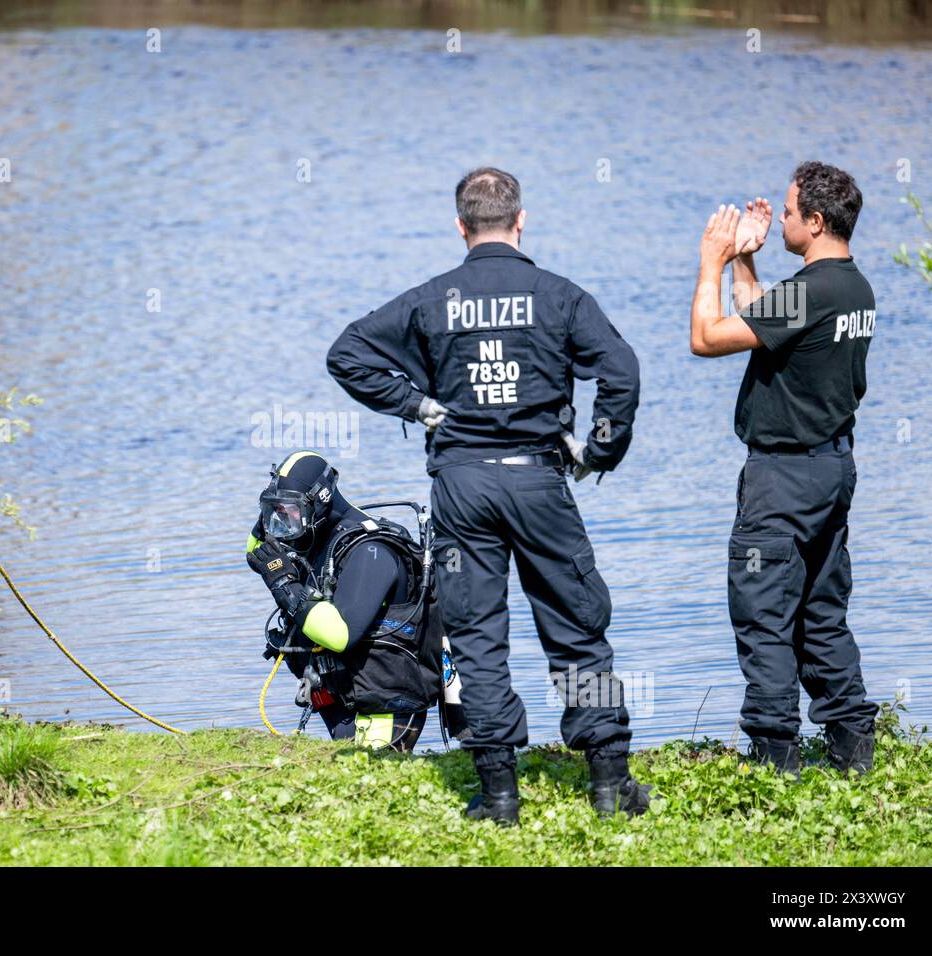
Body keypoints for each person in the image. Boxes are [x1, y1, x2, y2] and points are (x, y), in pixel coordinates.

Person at [326, 167, 649, 822]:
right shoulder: (558, 296)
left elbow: (348, 352)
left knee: (475, 632)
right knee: (576, 625)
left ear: (461, 227)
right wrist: (601, 449)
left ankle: (500, 795)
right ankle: (610, 784)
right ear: (520, 220)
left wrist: (416, 404)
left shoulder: (432, 299)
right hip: (538, 478)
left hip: (463, 484)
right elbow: (622, 368)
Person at [689, 162, 878, 776]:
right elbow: (766, 326)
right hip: (831, 471)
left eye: (792, 214)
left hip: (780, 481)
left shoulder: (811, 291)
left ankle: (776, 759)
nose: (784, 219)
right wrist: (748, 261)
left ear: (817, 222)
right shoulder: (851, 288)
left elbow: (709, 336)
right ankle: (853, 750)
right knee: (822, 612)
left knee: (765, 615)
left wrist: (713, 259)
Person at [246, 451, 445, 751]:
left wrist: (286, 586)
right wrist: (270, 516)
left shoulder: (370, 551)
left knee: (374, 778)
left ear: (320, 501)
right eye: (273, 513)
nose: (280, 525)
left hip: (383, 702)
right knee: (347, 772)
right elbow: (255, 552)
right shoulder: (313, 533)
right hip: (340, 690)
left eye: (288, 512)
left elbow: (339, 635)